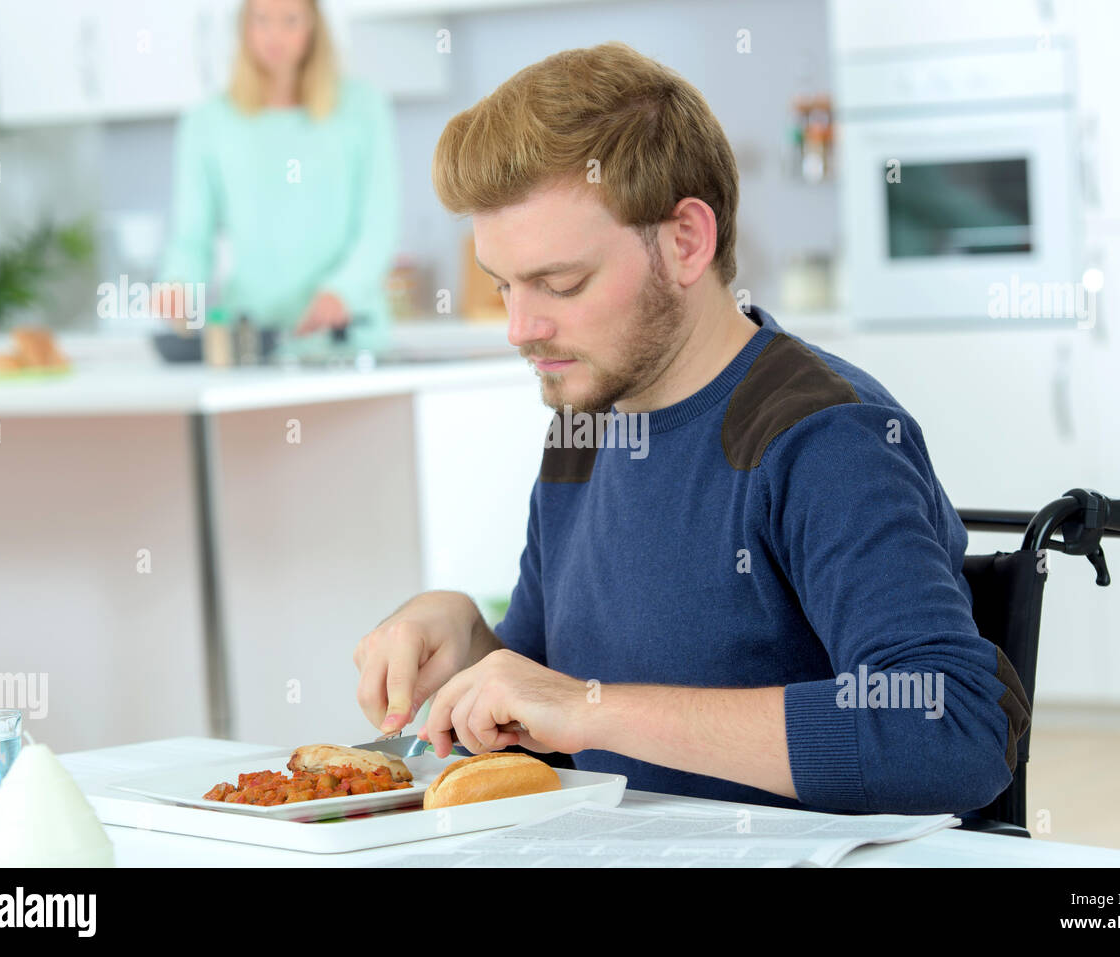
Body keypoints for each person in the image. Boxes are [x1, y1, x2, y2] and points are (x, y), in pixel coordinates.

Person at [352, 42, 1031, 815]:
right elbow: (541, 706)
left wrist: (590, 706)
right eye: (503, 285)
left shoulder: (826, 439)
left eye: (560, 282)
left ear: (685, 242)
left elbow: (951, 729)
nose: (520, 326)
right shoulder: (587, 429)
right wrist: (471, 639)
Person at [155, 0, 399, 354]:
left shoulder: (363, 109)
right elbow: (192, 239)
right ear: (243, 27)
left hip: (346, 338)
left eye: (290, 20)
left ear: (314, 25)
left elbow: (380, 227)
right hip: (252, 341)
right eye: (262, 20)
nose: (275, 35)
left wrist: (342, 292)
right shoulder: (206, 124)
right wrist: (178, 286)